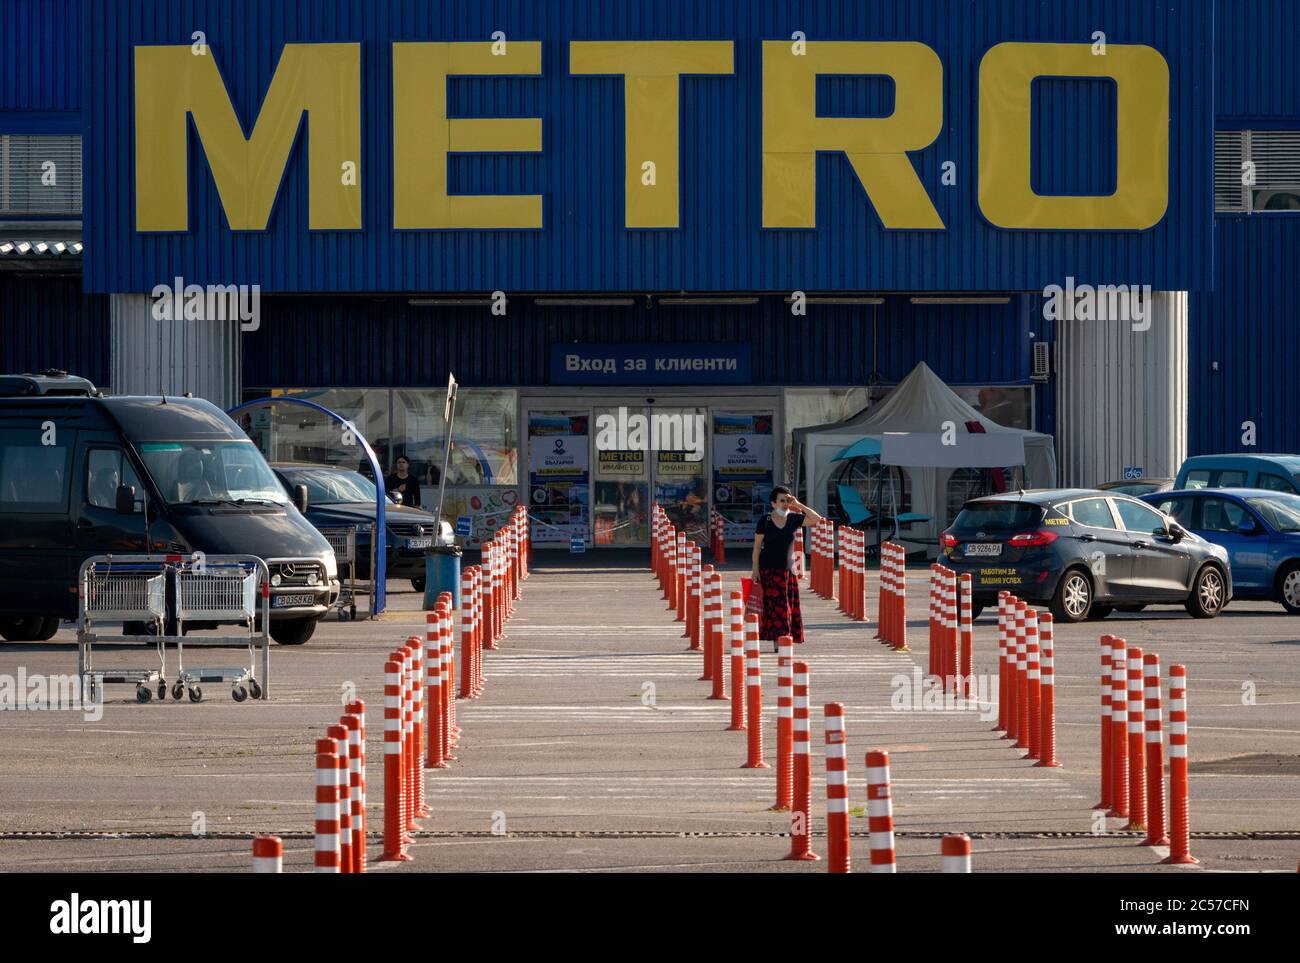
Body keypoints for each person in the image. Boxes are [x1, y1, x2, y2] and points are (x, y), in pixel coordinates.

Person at [751, 485, 822, 651]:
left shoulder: (794, 518)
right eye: (782, 500)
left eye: (787, 500)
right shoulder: (765, 520)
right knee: (774, 607)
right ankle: (778, 641)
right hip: (768, 569)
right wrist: (755, 569)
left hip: (787, 571)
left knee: (785, 606)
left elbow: (816, 519)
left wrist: (799, 505)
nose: (785, 503)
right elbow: (756, 546)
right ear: (773, 503)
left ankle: (783, 639)